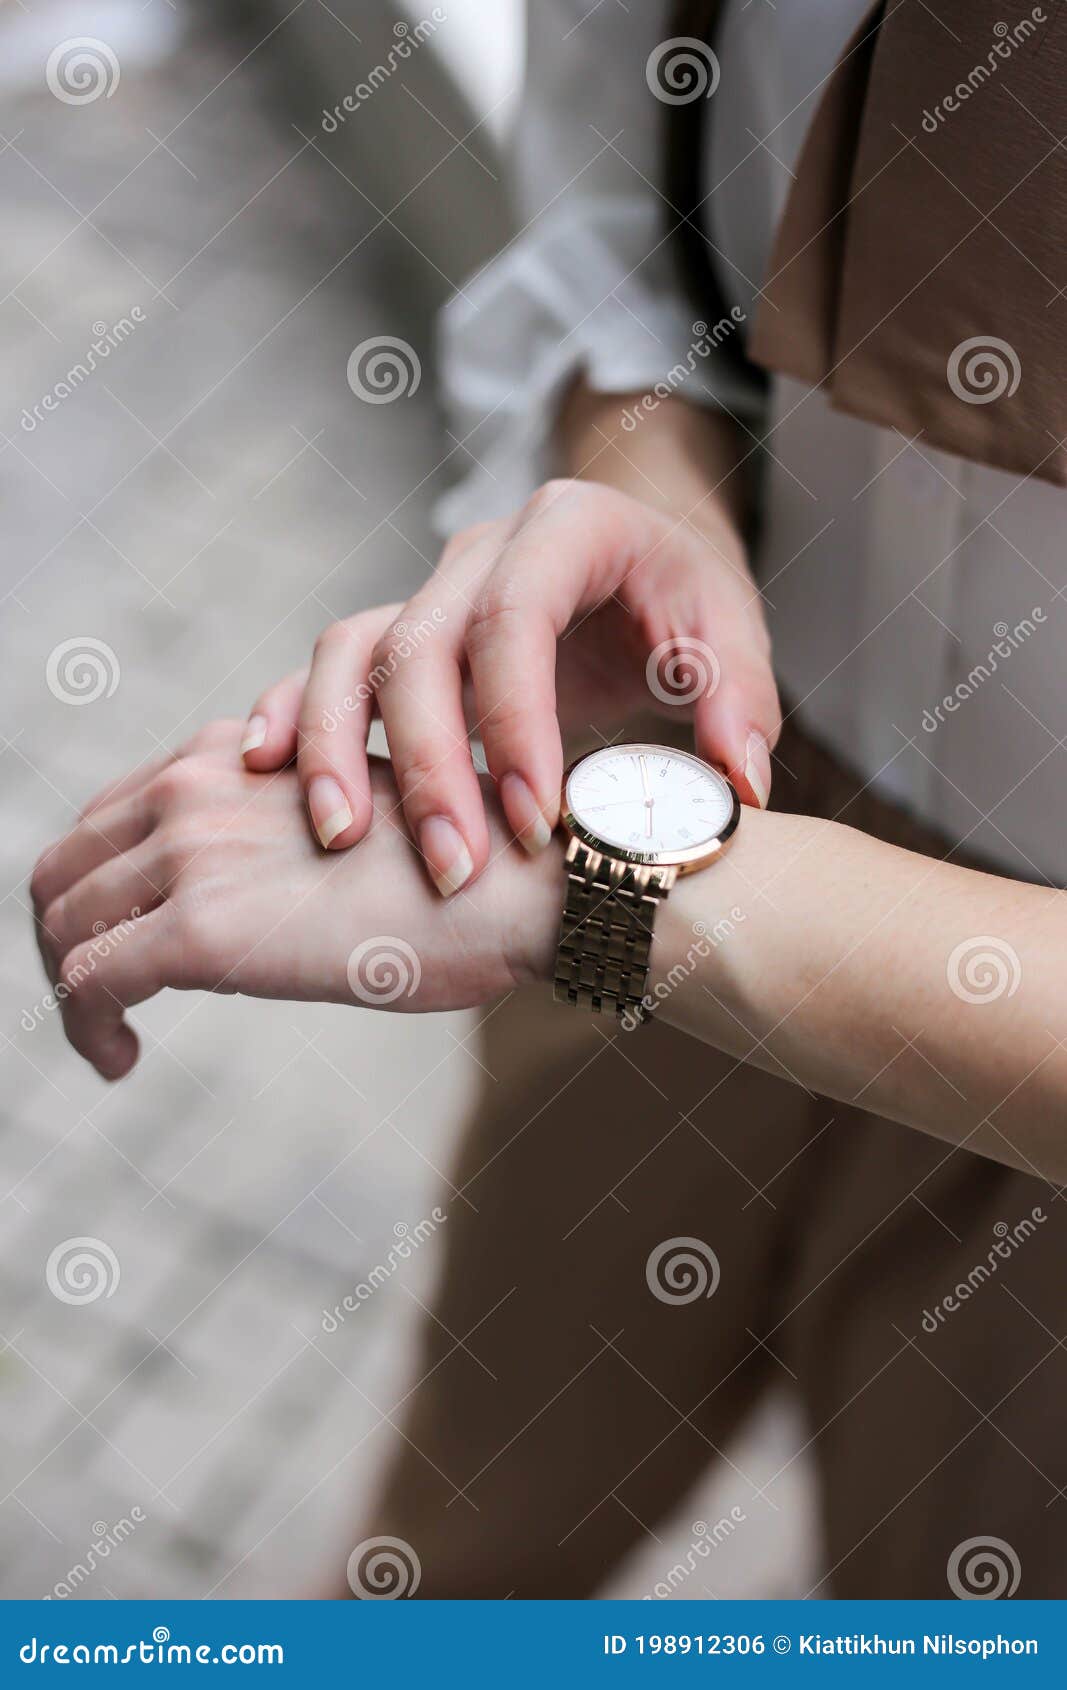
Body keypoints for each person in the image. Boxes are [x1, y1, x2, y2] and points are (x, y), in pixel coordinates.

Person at [32, 1, 1067, 1596]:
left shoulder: (615, 894)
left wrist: (639, 895)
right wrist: (650, 489)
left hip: (815, 974)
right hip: (669, 809)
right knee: (462, 1533)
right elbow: (629, 219)